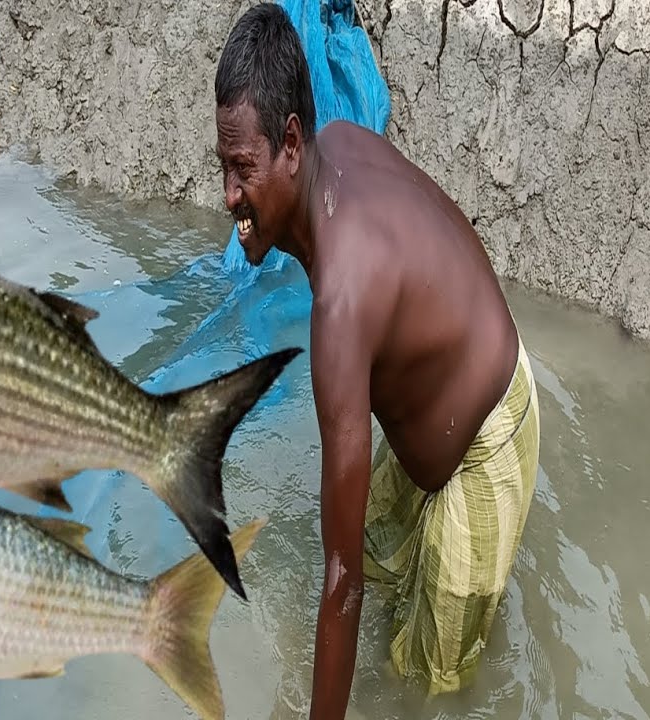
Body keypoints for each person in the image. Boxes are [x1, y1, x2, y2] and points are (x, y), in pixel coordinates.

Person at [212, 4, 542, 718]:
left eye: (244, 169)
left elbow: (342, 584)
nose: (230, 196)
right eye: (224, 168)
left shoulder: (341, 304)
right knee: (366, 546)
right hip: (445, 397)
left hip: (488, 434)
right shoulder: (341, 142)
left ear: (292, 143)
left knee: (426, 683)